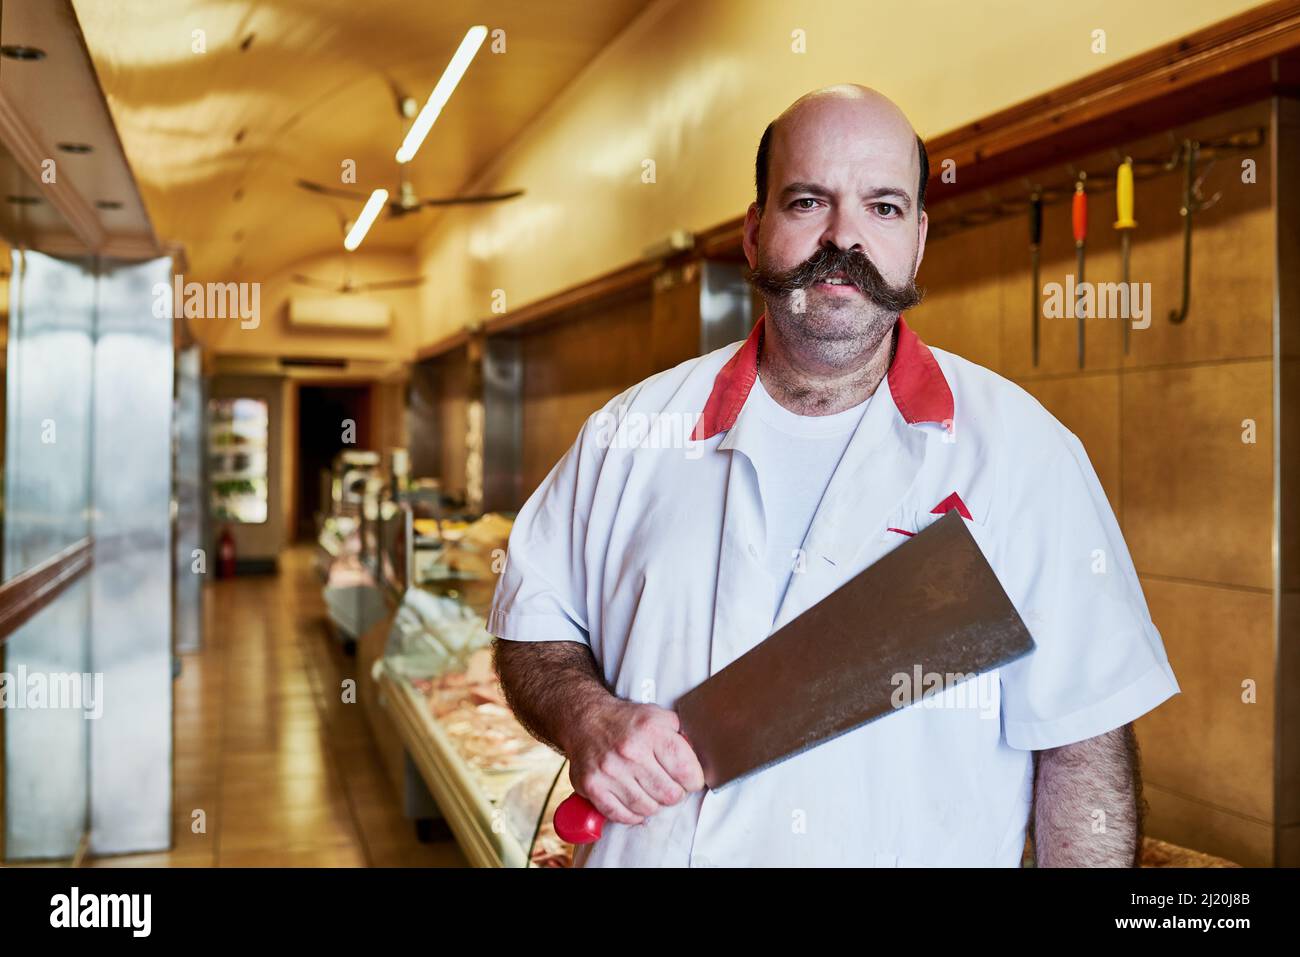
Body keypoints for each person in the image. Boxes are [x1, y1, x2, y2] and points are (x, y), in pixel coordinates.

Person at [487, 84, 1180, 867]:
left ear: (917, 239)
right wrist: (586, 717)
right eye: (808, 200)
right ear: (754, 234)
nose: (844, 235)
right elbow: (531, 625)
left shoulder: (1026, 457)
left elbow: (1083, 745)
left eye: (883, 207)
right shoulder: (626, 434)